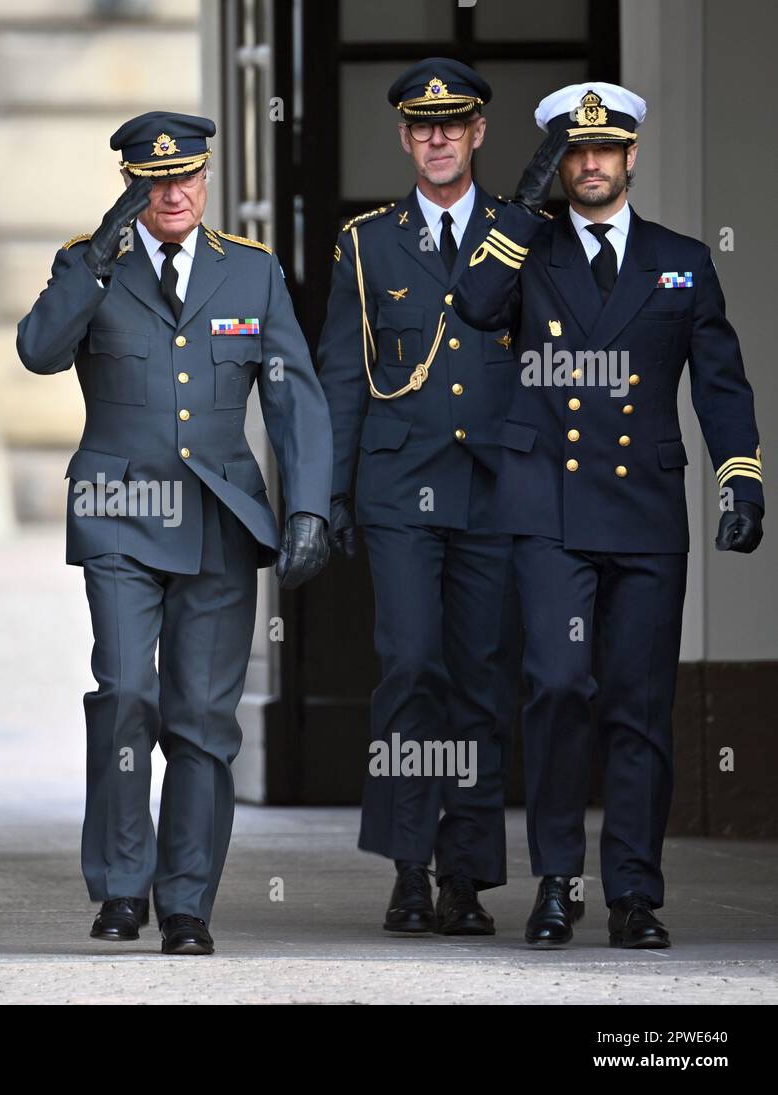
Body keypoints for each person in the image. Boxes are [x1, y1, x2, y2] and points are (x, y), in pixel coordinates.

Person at [454, 82, 764, 948]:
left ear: (631, 157)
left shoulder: (683, 260)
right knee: (556, 686)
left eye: (605, 150)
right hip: (547, 500)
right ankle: (558, 880)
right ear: (562, 163)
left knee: (638, 703)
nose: (590, 165)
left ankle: (633, 890)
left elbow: (721, 384)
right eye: (573, 152)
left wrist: (741, 479)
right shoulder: (529, 247)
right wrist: (517, 206)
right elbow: (474, 306)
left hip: (645, 508)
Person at [17, 111, 332, 955]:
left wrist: (308, 507)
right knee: (125, 693)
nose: (175, 193)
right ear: (131, 187)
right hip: (120, 513)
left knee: (201, 721)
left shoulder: (252, 274)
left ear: (206, 179)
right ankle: (123, 887)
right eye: (156, 182)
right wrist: (94, 261)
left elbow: (294, 395)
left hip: (221, 519)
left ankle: (186, 899)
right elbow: (38, 351)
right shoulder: (89, 266)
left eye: (188, 177)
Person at [317, 59, 515, 936]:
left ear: (478, 133)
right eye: (421, 126)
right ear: (404, 137)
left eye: (454, 124)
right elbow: (340, 377)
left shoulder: (524, 234)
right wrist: (327, 500)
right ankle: (407, 863)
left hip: (496, 488)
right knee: (410, 668)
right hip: (398, 485)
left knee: (480, 680)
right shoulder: (365, 242)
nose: (437, 137)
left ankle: (465, 874)